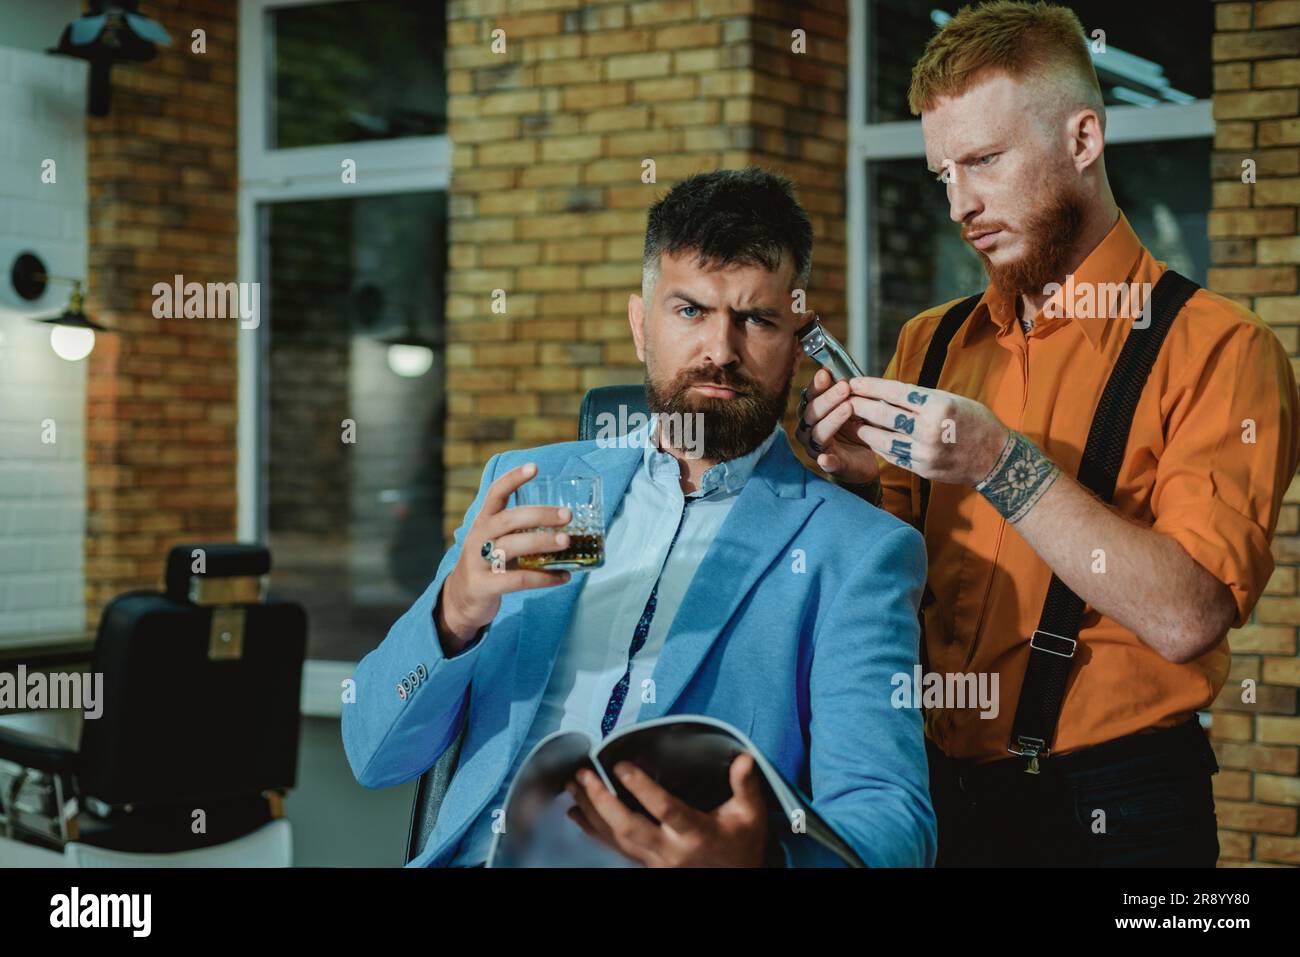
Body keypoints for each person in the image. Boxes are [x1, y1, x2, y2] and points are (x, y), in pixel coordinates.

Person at [798, 0, 1300, 867]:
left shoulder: (1221, 347)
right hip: (936, 794)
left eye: (986, 160)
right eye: (942, 173)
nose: (961, 203)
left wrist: (997, 460)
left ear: (1083, 140)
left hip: (1123, 811)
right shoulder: (933, 341)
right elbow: (902, 584)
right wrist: (853, 482)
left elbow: (1189, 614)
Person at [343, 168, 936, 868]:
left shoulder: (856, 551)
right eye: (690, 311)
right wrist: (453, 614)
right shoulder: (539, 486)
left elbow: (895, 825)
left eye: (756, 319)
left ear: (799, 336)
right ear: (640, 324)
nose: (721, 349)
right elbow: (372, 752)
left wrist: (763, 859)